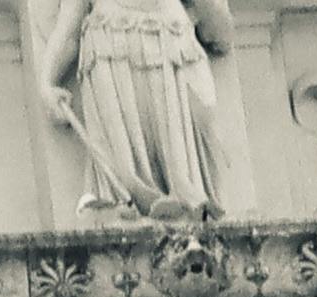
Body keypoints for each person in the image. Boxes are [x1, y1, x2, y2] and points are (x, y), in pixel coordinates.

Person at [22, 0, 229, 214]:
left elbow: (220, 34)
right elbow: (68, 29)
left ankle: (190, 200)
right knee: (125, 160)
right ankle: (138, 204)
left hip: (174, 45)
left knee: (201, 124)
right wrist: (47, 82)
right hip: (112, 51)